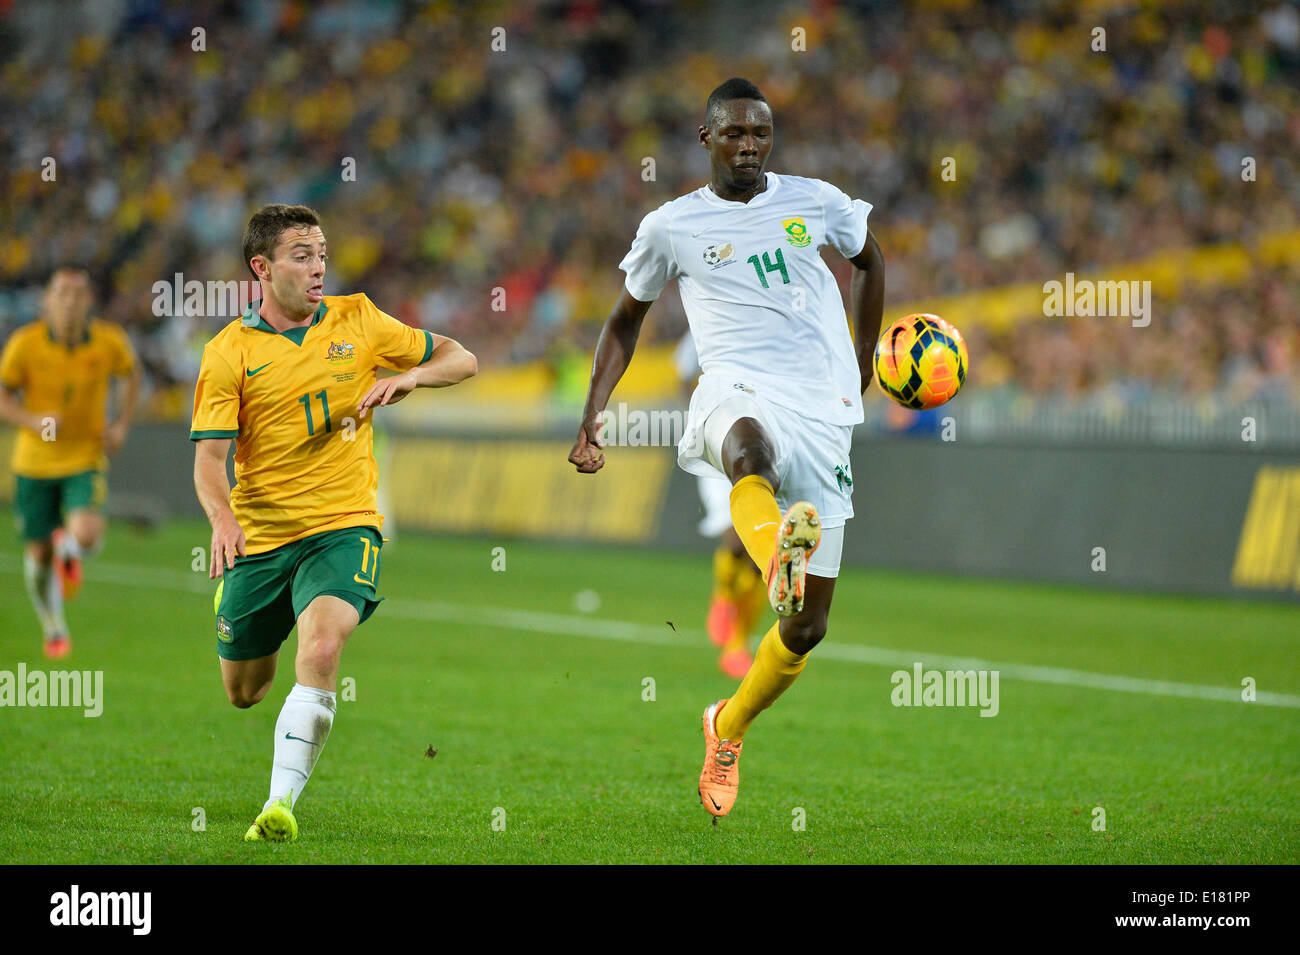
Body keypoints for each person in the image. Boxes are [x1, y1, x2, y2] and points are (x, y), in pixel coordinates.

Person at [569, 78, 884, 819]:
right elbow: (623, 321)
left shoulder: (816, 201)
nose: (750, 145)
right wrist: (592, 412)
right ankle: (776, 552)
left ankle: (727, 725)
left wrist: (862, 362)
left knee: (806, 629)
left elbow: (872, 262)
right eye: (736, 133)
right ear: (705, 138)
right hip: (734, 387)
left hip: (825, 410)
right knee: (749, 456)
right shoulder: (671, 226)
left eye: (761, 134)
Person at [191, 204, 477, 841]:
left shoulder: (360, 318)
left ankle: (279, 805)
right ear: (262, 268)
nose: (318, 267)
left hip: (346, 525)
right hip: (261, 537)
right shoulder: (228, 353)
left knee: (320, 647)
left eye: (321, 253)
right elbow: (209, 460)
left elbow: (464, 358)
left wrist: (414, 378)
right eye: (302, 255)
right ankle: (243, 607)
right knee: (244, 691)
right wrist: (220, 519)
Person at [0, 268, 139, 658]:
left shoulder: (109, 341)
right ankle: (54, 626)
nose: (70, 301)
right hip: (33, 462)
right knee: (39, 555)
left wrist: (121, 424)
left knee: (88, 534)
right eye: (62, 293)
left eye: (78, 293)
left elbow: (131, 374)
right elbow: (3, 396)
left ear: (90, 301)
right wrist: (32, 421)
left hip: (84, 456)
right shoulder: (25, 344)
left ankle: (71, 551)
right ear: (46, 300)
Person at [673, 330, 765, 678]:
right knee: (736, 537)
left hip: (763, 444)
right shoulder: (705, 322)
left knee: (761, 552)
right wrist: (702, 417)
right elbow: (683, 373)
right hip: (716, 445)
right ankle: (725, 595)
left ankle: (737, 645)